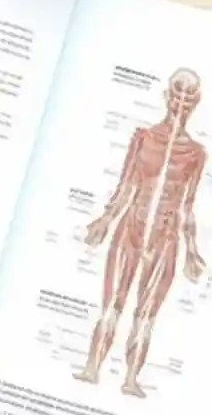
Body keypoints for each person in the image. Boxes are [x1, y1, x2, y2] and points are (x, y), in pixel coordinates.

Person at [74, 68, 206, 398]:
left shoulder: (196, 154)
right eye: (177, 95)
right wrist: (104, 221)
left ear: (196, 103)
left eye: (188, 98)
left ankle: (131, 379)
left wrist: (191, 249)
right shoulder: (143, 137)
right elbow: (127, 185)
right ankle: (92, 368)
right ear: (167, 96)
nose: (181, 103)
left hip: (165, 236)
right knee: (111, 305)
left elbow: (188, 204)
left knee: (146, 315)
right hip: (131, 227)